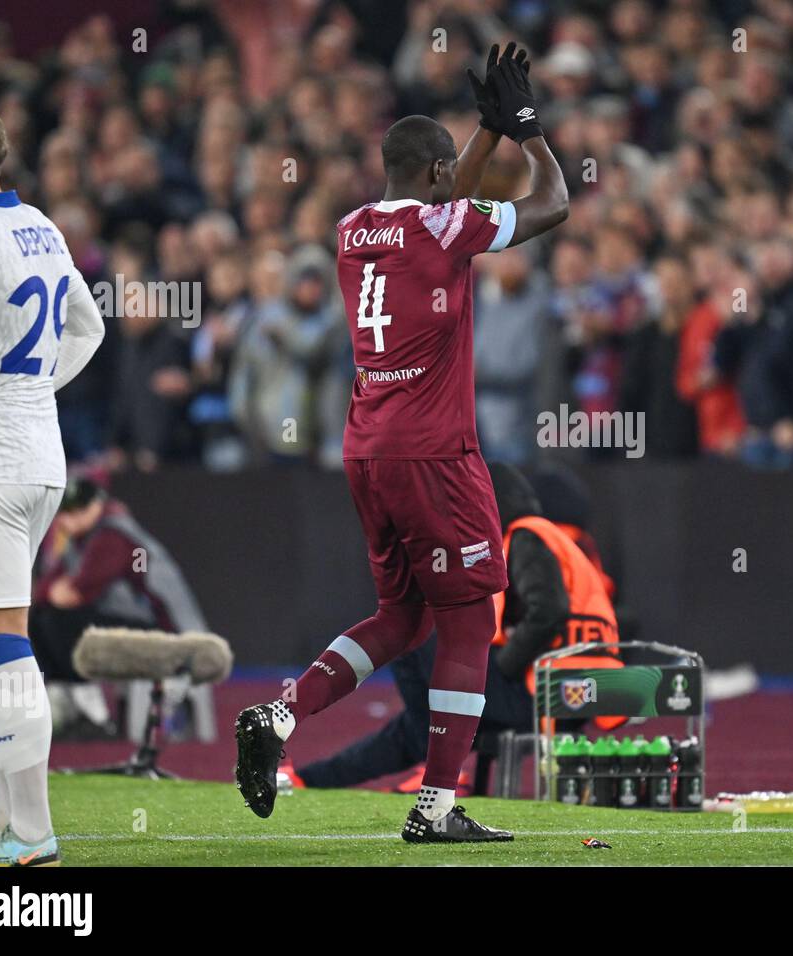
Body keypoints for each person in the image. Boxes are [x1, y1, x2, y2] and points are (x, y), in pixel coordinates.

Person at [233, 44, 569, 844]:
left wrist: (480, 136)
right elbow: (554, 202)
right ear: (439, 171)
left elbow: (443, 198)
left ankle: (283, 712)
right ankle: (437, 807)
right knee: (467, 619)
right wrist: (526, 130)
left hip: (367, 447)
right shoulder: (447, 226)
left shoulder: (352, 231)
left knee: (403, 616)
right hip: (434, 453)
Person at [0, 100, 106, 866]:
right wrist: (31, 386)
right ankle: (12, 829)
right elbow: (89, 327)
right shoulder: (39, 223)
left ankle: (34, 837)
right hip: (38, 456)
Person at [287, 463, 618, 791]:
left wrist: (503, 665)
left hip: (547, 692)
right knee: (419, 724)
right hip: (580, 692)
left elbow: (548, 611)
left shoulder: (526, 534)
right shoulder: (556, 542)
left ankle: (435, 756)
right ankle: (312, 778)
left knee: (415, 634)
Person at [30, 477, 209, 736]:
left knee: (60, 620)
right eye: (65, 512)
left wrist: (60, 592)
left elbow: (76, 595)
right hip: (139, 622)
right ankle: (73, 705)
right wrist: (56, 592)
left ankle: (96, 716)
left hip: (172, 632)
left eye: (77, 510)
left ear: (96, 505)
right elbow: (46, 591)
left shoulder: (113, 535)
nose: (68, 519)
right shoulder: (80, 540)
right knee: (42, 617)